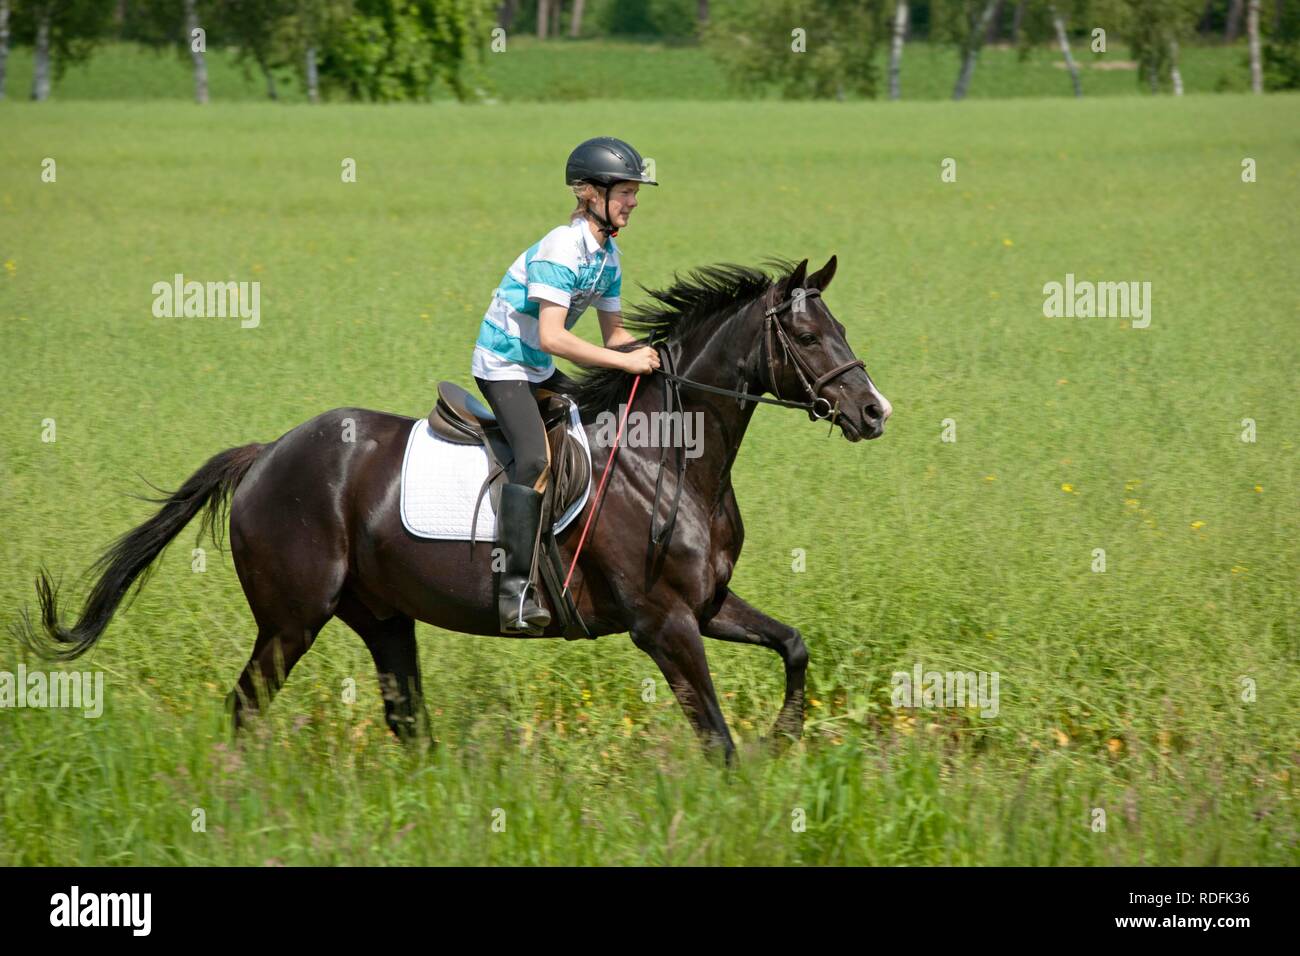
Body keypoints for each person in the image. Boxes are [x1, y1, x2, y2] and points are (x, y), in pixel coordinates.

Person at [471, 136, 661, 635]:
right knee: (534, 457)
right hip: (504, 366)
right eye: (624, 191)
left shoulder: (607, 258)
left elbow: (615, 335)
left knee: (596, 430)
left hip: (537, 366)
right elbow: (554, 338)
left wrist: (665, 353)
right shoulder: (562, 247)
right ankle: (514, 592)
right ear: (589, 194)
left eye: (634, 191)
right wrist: (625, 364)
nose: (633, 201)